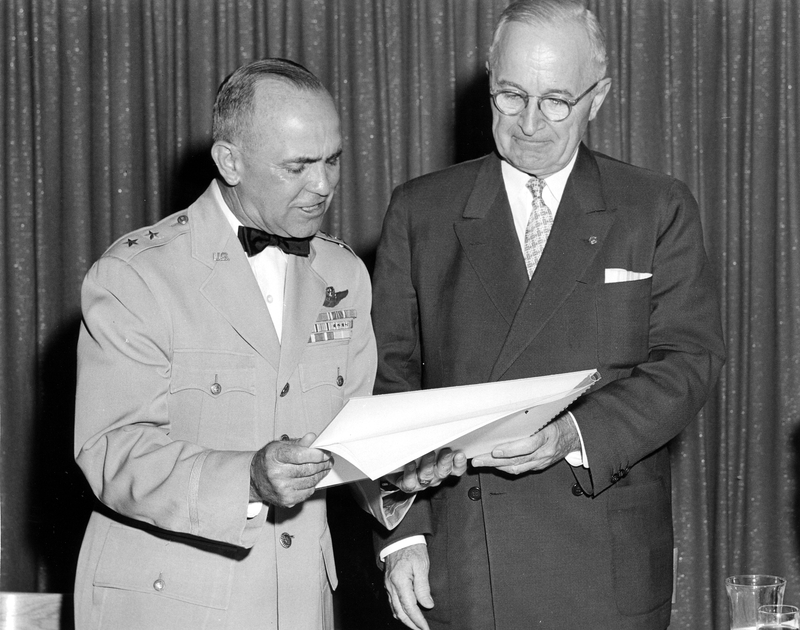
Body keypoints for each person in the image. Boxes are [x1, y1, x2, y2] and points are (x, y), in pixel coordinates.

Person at [73, 58, 465, 630]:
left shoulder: (343, 275)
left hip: (300, 604)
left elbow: (348, 434)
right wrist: (248, 479)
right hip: (166, 604)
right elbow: (111, 448)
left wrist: (402, 471)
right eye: (298, 166)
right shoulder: (137, 275)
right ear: (230, 161)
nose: (325, 184)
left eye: (332, 160)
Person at [370, 1, 725, 629]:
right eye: (510, 96)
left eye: (557, 101)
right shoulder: (420, 212)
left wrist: (570, 435)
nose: (530, 123)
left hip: (605, 565)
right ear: (488, 82)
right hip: (463, 567)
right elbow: (383, 381)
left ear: (600, 96)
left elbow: (688, 363)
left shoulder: (656, 206)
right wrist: (401, 534)